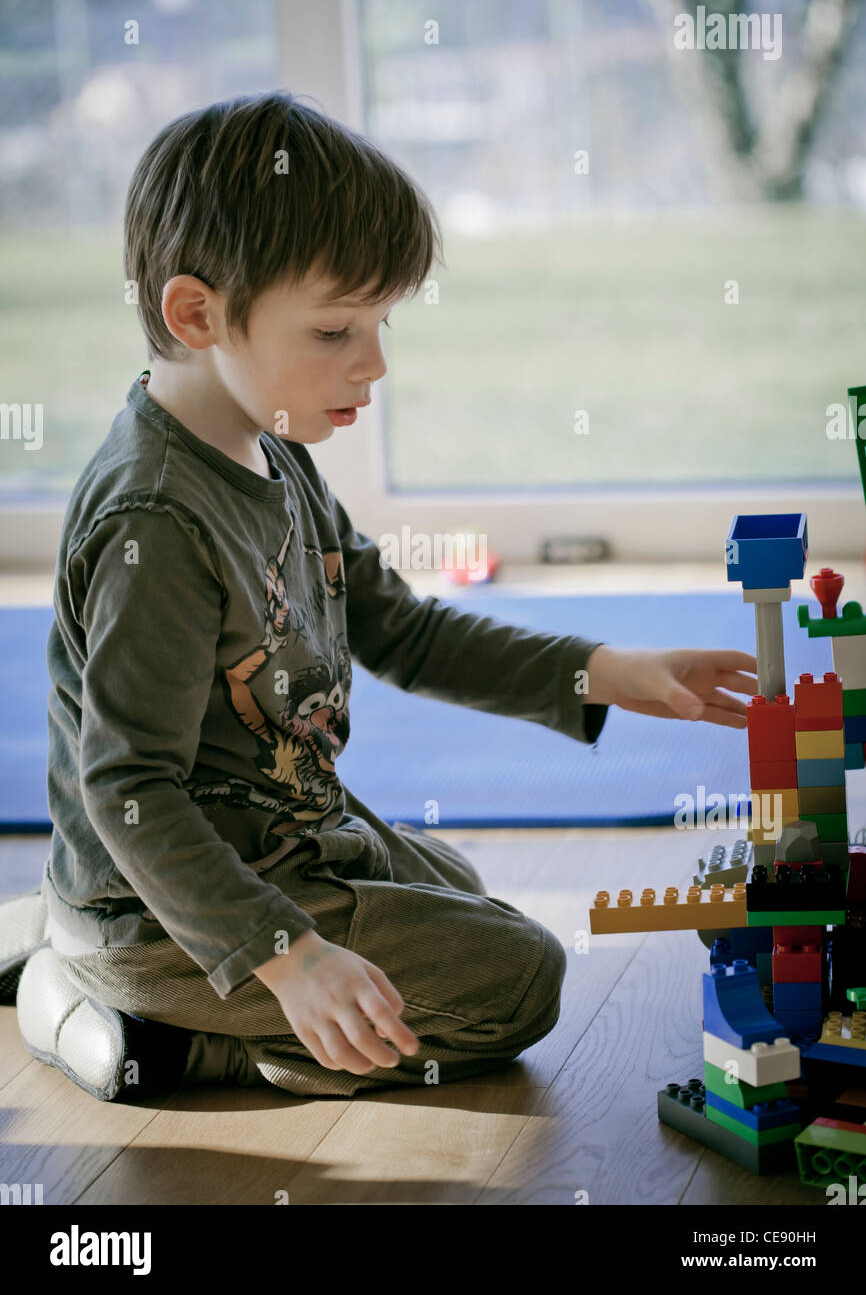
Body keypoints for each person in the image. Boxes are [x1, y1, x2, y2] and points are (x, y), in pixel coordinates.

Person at [12, 92, 758, 1100]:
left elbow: (399, 629)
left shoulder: (269, 448)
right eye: (334, 329)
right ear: (196, 315)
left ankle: (74, 942)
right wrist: (287, 956)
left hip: (281, 841)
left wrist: (605, 670)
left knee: (457, 886)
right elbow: (128, 789)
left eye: (379, 322)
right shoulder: (156, 522)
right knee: (516, 982)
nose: (374, 363)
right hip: (164, 909)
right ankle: (129, 1019)